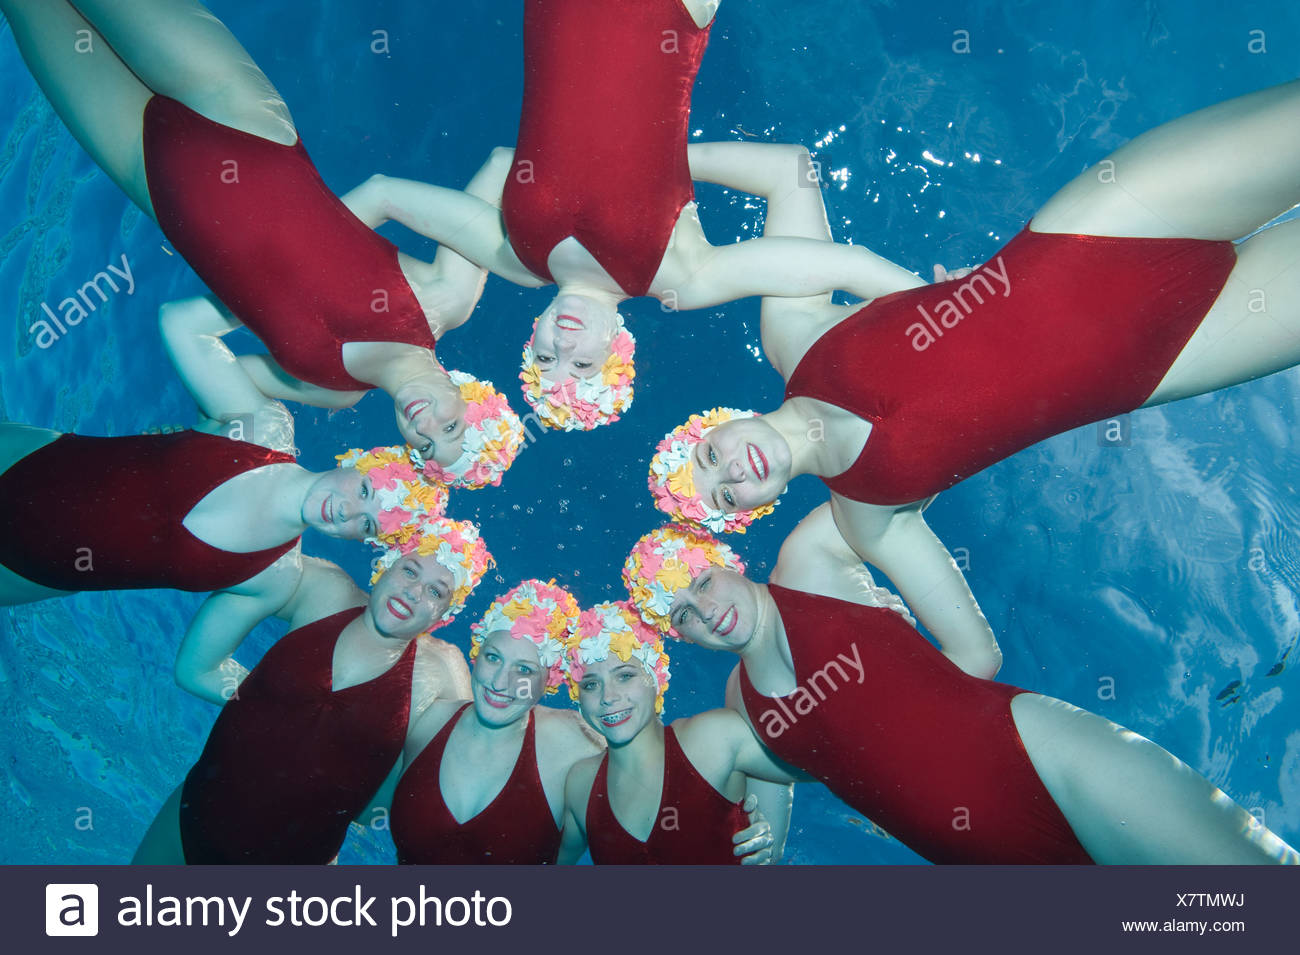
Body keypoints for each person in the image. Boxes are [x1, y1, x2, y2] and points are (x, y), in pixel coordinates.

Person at [648, 80, 1300, 673]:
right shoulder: (869, 519)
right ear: (751, 512)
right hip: (1175, 355)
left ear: (717, 423)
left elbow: (791, 171)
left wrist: (655, 162)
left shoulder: (791, 333)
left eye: (710, 457)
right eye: (725, 497)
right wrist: (873, 636)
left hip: (1106, 225)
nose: (733, 473)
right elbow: (976, 657)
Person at [1, 0, 523, 486]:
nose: (425, 426)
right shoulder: (448, 297)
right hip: (234, 114)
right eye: (450, 428)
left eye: (425, 447)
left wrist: (257, 302)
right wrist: (551, 269)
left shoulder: (332, 391)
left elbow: (208, 364)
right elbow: (431, 181)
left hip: (154, 183)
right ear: (471, 396)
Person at [345, 0, 920, 431]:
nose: (562, 347)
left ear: (532, 336)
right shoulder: (680, 279)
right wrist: (943, 301)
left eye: (545, 358)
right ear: (618, 350)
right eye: (582, 366)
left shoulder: (513, 258)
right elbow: (845, 264)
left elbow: (387, 193)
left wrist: (447, 289)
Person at [623, 517, 1300, 864]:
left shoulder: (809, 557)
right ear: (682, 639)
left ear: (727, 559)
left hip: (1047, 757)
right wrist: (762, 839)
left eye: (701, 582)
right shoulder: (740, 706)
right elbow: (773, 809)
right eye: (681, 615)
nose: (705, 610)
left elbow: (885, 465)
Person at [132, 516, 492, 864]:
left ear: (445, 614)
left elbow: (448, 794)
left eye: (435, 591)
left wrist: (369, 789)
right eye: (410, 571)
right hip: (186, 826)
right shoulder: (323, 590)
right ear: (387, 564)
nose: (413, 592)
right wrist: (272, 702)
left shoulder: (442, 673)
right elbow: (195, 669)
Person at [390, 579, 603, 864]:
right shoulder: (425, 720)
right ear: (477, 653)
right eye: (493, 658)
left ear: (549, 679)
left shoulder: (576, 749)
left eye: (524, 670)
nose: (500, 683)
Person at [556, 601, 787, 864]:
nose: (608, 697)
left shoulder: (712, 739)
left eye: (625, 676)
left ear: (655, 678)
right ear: (577, 697)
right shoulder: (581, 784)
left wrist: (772, 826)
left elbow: (809, 763)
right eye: (590, 685)